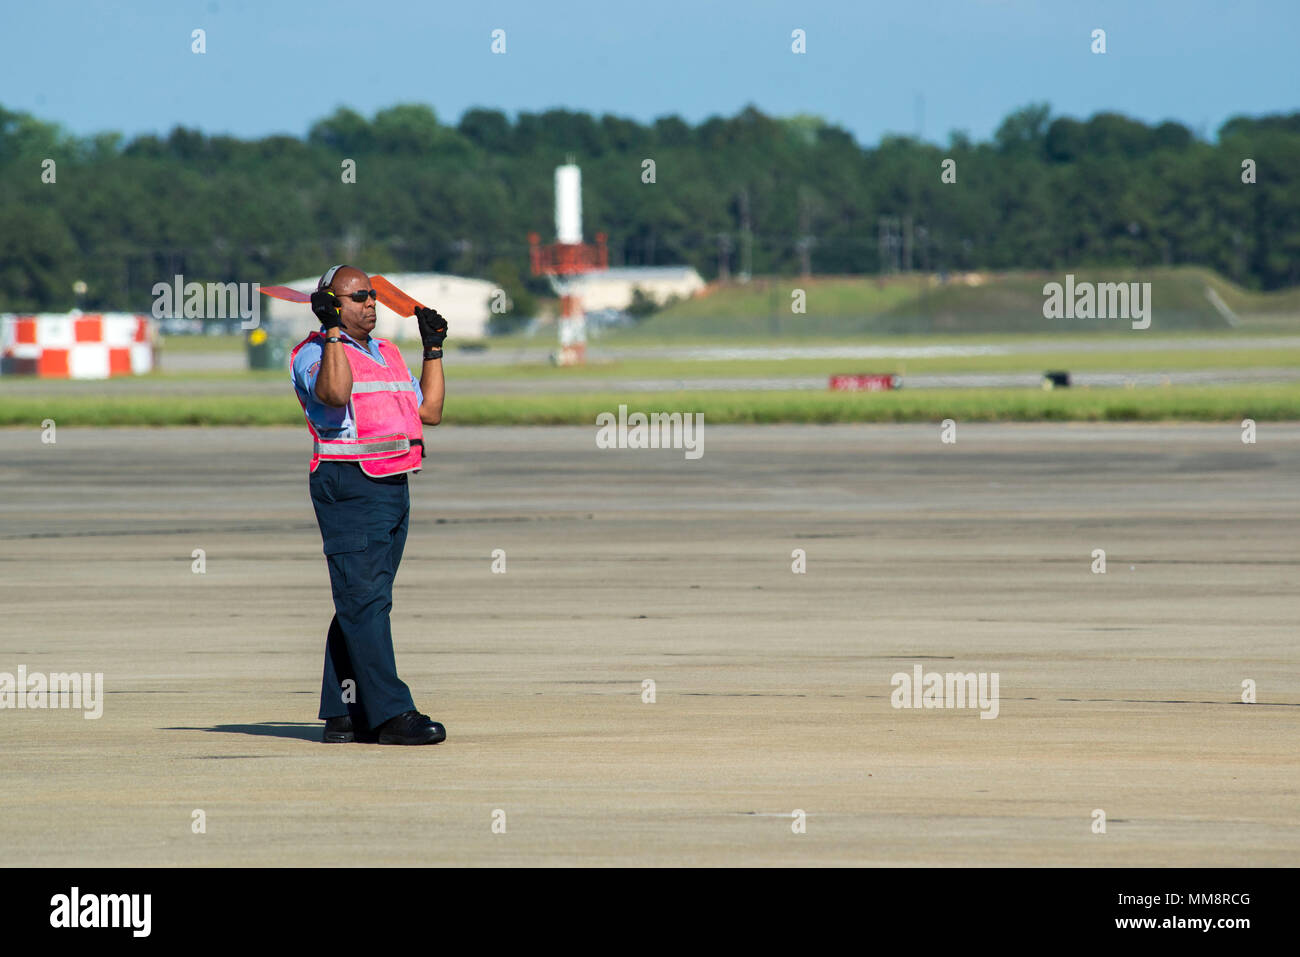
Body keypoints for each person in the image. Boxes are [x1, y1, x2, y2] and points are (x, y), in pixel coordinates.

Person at [288, 264, 448, 745]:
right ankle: (390, 713)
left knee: (365, 601)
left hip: (393, 484)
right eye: (357, 298)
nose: (370, 304)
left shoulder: (387, 353)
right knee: (365, 601)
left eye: (372, 296)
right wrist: (333, 331)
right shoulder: (312, 353)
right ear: (332, 305)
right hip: (348, 485)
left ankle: (344, 709)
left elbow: (430, 412)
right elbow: (334, 396)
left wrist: (433, 350)